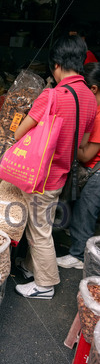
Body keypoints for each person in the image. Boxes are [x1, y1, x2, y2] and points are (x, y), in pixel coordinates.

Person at [13, 35, 97, 300]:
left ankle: (45, 285)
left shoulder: (52, 96)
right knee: (40, 223)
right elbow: (81, 141)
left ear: (57, 64)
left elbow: (18, 134)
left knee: (40, 230)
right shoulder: (89, 97)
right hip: (62, 172)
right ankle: (29, 266)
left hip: (41, 174)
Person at [57, 62, 100, 269]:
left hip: (96, 173)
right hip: (93, 170)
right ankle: (77, 245)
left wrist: (67, 143)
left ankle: (78, 257)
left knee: (85, 212)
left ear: (93, 89)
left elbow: (86, 154)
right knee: (82, 210)